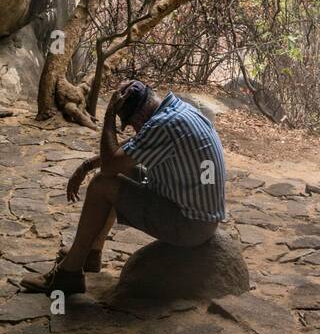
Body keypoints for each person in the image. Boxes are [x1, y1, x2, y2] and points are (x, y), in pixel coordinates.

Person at [22, 79, 226, 296]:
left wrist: (109, 115)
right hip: (191, 209)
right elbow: (126, 155)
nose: (134, 130)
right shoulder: (176, 110)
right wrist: (87, 165)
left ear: (139, 117)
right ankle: (91, 254)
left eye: (130, 124)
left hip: (190, 226)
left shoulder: (164, 125)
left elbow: (111, 165)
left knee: (103, 184)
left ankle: (69, 274)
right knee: (118, 173)